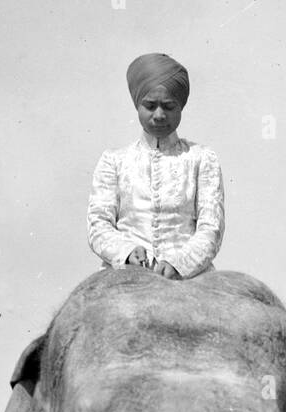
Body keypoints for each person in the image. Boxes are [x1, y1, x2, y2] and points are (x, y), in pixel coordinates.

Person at [87, 52, 224, 280]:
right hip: (124, 273)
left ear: (181, 107)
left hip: (189, 277)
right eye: (150, 106)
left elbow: (211, 229)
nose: (159, 115)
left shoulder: (202, 159)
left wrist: (178, 262)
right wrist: (126, 251)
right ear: (137, 106)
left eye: (169, 106)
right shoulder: (113, 160)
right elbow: (98, 224)